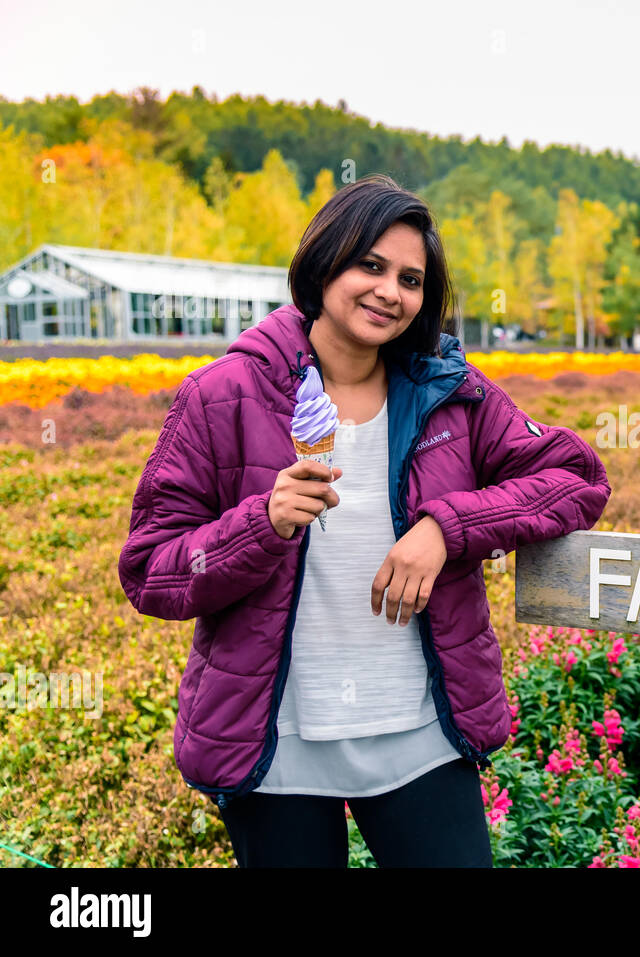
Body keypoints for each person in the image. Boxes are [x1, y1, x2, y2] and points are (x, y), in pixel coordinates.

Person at [118, 174, 613, 866]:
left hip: (421, 735)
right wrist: (260, 523)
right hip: (277, 748)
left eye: (411, 279)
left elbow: (575, 477)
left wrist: (446, 528)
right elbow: (151, 568)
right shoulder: (221, 395)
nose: (390, 291)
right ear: (324, 262)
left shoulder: (450, 395)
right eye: (371, 265)